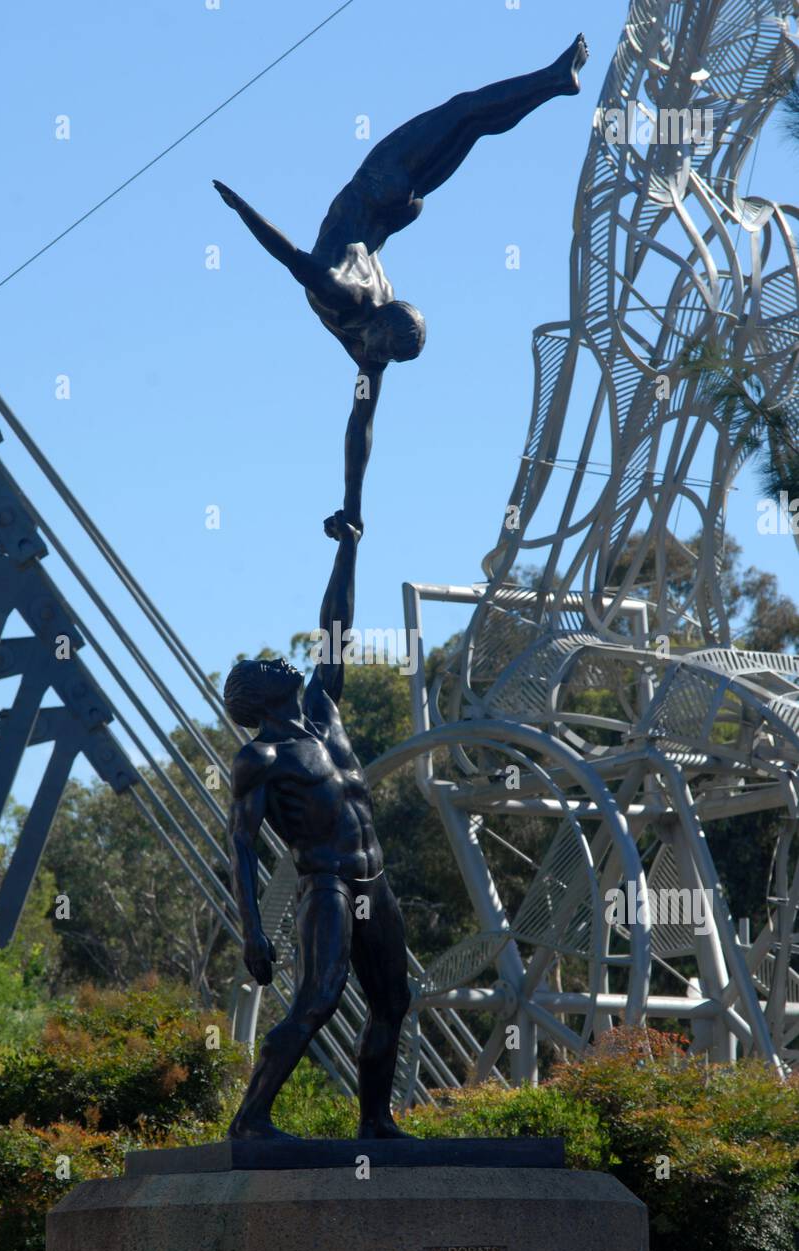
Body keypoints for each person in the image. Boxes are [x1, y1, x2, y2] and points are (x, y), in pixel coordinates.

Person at [214, 34, 589, 530]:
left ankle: (554, 81)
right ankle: (552, 80)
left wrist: (354, 510)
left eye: (386, 355)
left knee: (467, 118)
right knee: (466, 116)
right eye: (387, 352)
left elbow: (360, 430)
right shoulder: (348, 303)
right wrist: (242, 208)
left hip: (387, 197)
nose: (380, 359)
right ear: (384, 329)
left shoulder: (368, 343)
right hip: (380, 189)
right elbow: (290, 259)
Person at [223, 511, 411, 1140]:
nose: (281, 662)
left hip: (374, 882)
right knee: (319, 999)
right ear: (256, 695)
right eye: (265, 666)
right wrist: (254, 933)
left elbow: (336, 626)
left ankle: (375, 1123)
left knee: (393, 1002)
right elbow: (242, 847)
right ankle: (251, 1120)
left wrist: (347, 551)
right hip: (326, 885)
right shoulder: (261, 758)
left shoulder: (322, 712)